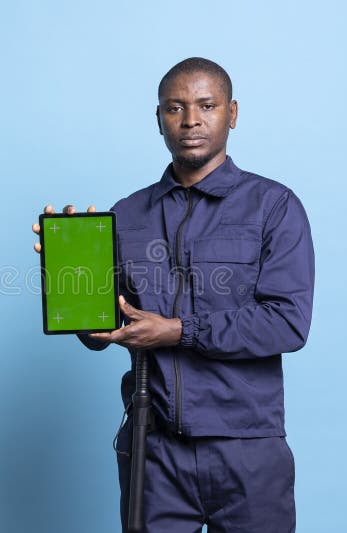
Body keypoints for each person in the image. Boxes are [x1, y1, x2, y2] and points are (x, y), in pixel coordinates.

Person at [31, 57, 314, 533]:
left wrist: (179, 331)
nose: (191, 121)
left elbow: (287, 322)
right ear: (158, 118)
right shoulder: (127, 214)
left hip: (247, 448)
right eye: (175, 108)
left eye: (207, 105)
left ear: (232, 113)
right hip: (153, 449)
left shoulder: (274, 207)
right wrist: (69, 275)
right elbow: (101, 329)